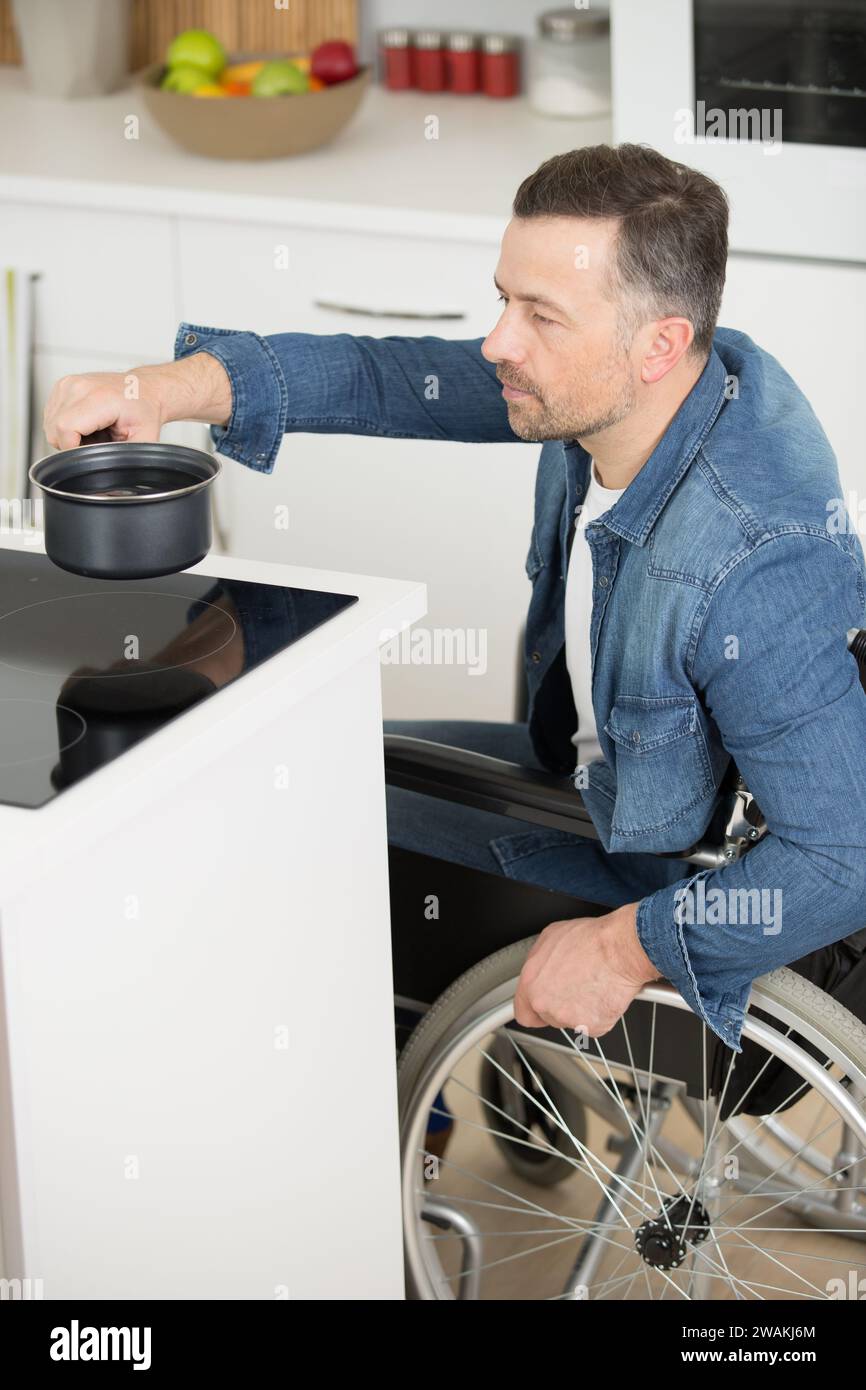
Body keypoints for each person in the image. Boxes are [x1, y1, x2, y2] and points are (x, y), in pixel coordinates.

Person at [44, 143, 866, 1069]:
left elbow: (845, 859)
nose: (497, 343)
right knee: (310, 759)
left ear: (658, 343)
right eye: (504, 299)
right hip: (598, 777)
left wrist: (620, 946)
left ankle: (364, 1106)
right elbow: (398, 379)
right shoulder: (643, 383)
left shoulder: (758, 557)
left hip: (657, 878)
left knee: (280, 821)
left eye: (539, 316)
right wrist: (169, 387)